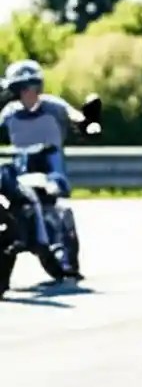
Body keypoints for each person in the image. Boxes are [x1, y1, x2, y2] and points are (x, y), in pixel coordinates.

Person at [0, 59, 94, 278]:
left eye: (32, 86)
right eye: (22, 88)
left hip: (52, 168)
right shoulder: (9, 112)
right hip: (21, 172)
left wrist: (86, 124)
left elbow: (78, 119)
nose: (27, 92)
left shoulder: (55, 106)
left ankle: (64, 254)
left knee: (56, 205)